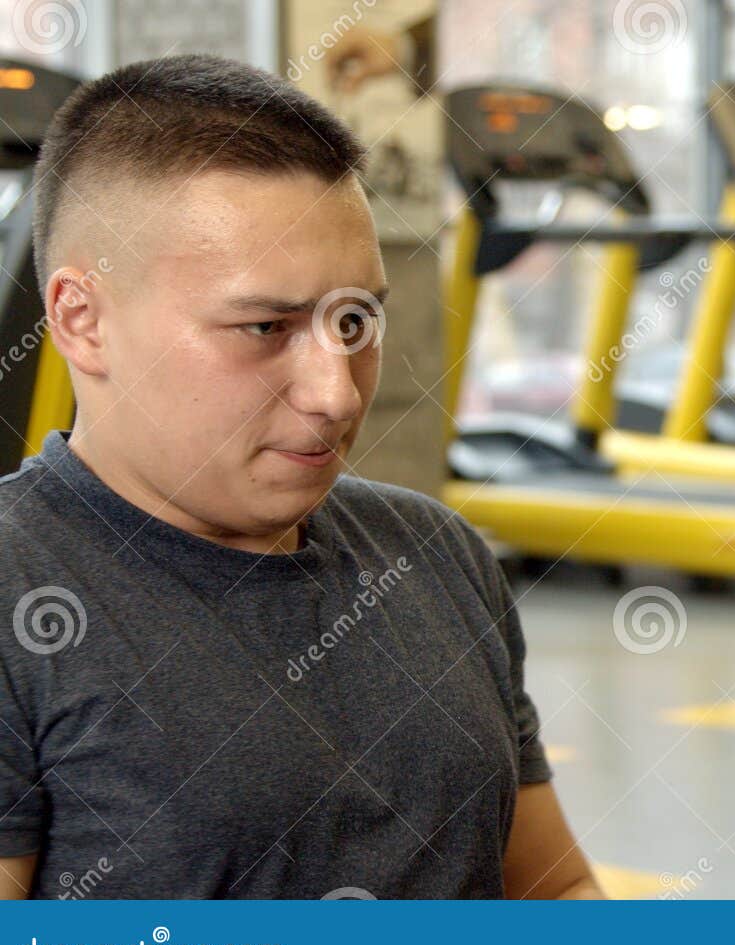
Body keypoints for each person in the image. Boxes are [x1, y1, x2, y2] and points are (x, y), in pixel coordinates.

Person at [0, 55, 600, 899]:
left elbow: (555, 895)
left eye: (357, 319)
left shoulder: (435, 551)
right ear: (82, 321)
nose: (336, 391)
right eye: (263, 326)